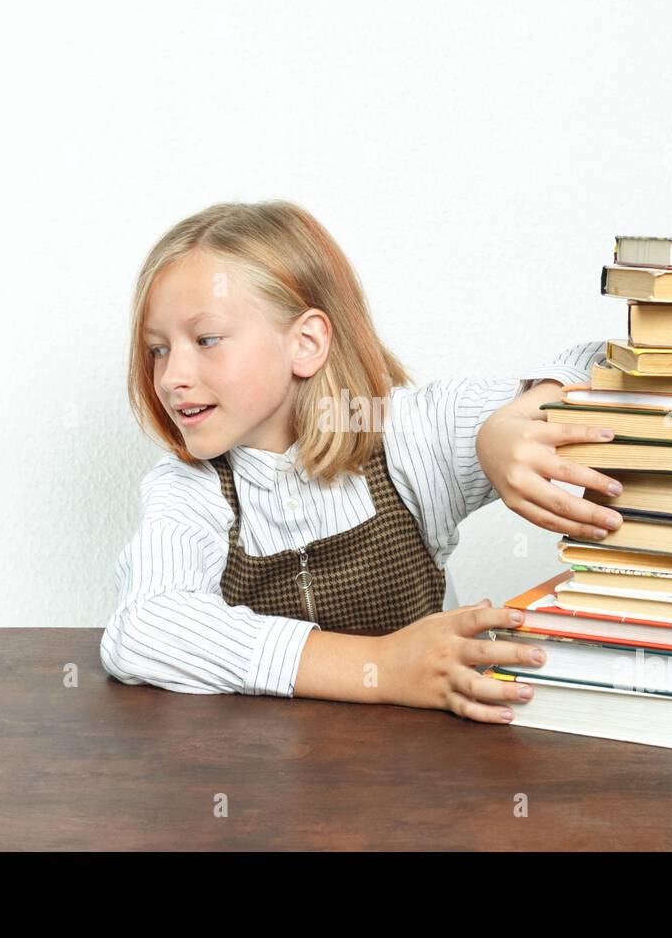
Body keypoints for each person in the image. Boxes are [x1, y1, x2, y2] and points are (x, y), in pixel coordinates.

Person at [100, 200, 623, 723]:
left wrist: (513, 421)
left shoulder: (409, 433)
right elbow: (144, 627)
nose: (170, 377)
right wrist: (382, 665)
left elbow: (611, 357)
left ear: (305, 343)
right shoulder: (188, 487)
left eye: (205, 339)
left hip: (428, 775)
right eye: (157, 350)